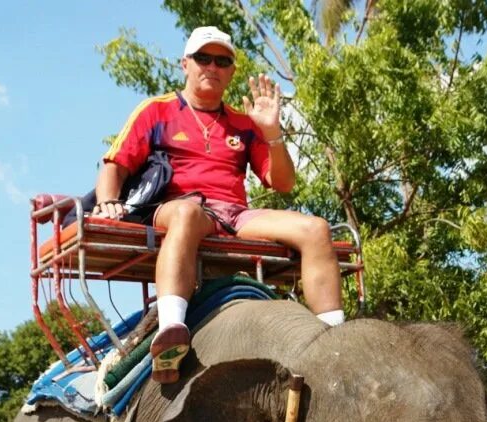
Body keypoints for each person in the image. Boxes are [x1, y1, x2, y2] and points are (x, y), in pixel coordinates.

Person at [92, 26, 344, 383]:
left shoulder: (243, 124)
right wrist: (107, 202)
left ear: (232, 72)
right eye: (203, 58)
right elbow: (114, 165)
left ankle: (334, 340)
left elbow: (283, 182)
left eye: (222, 61)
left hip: (235, 213)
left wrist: (272, 133)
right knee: (187, 213)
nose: (212, 67)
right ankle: (172, 329)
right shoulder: (156, 111)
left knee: (316, 228)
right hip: (180, 207)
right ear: (185, 64)